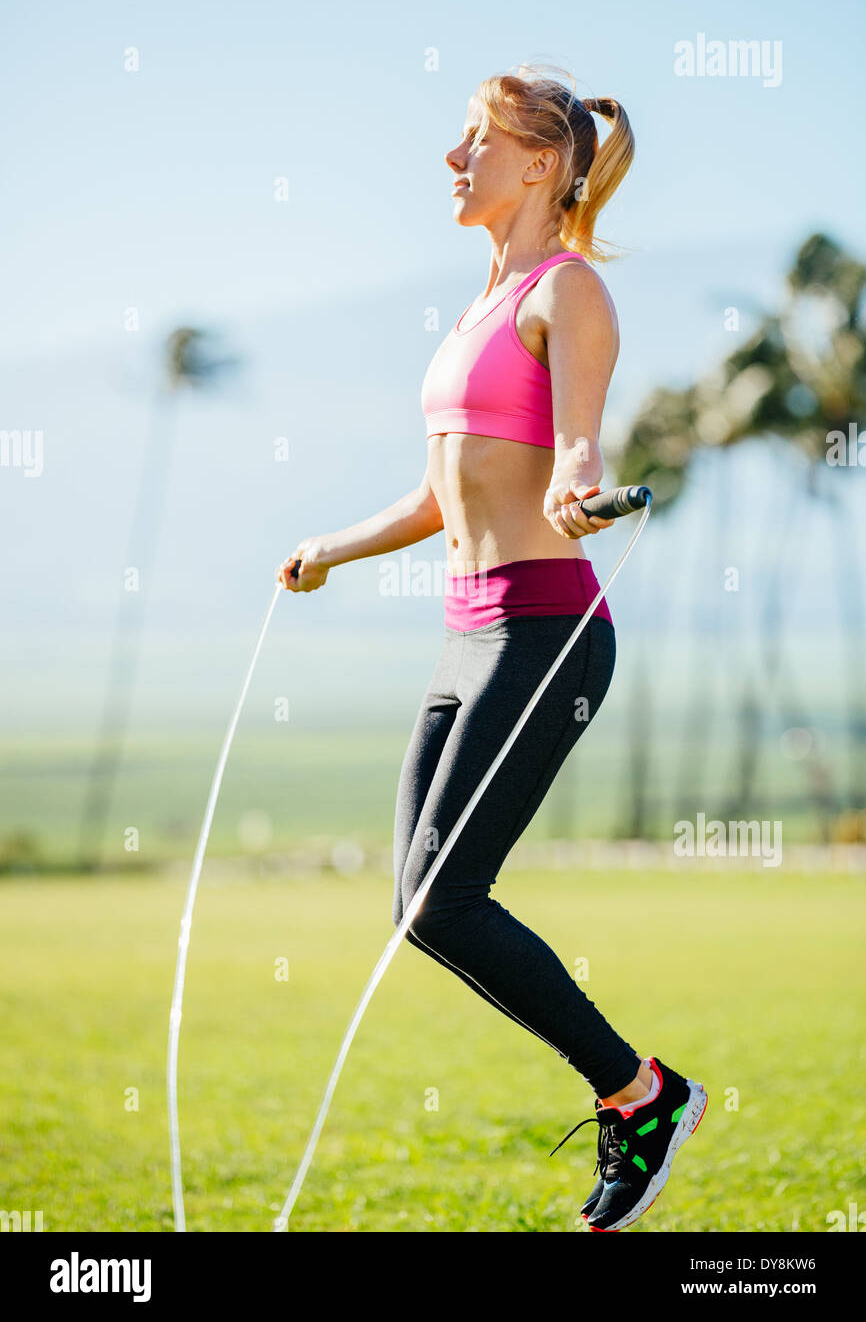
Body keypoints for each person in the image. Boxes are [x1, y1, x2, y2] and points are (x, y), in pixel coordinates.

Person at [277, 63, 706, 1233]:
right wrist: (328, 546)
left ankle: (643, 1096)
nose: (452, 157)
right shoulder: (472, 306)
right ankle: (639, 1093)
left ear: (540, 162)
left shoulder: (566, 294)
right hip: (466, 638)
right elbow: (436, 495)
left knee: (447, 898)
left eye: (475, 138)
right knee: (422, 904)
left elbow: (574, 447)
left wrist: (578, 489)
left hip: (546, 632)